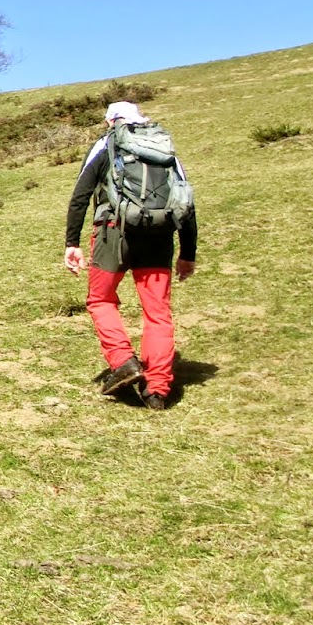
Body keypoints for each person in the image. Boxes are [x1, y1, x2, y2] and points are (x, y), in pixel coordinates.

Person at [63, 101, 197, 409]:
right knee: (157, 311)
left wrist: (72, 242)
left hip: (113, 231)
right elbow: (185, 201)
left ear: (111, 121)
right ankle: (157, 390)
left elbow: (81, 194)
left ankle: (123, 361)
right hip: (160, 235)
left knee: (100, 299)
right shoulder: (164, 147)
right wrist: (188, 252)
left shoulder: (108, 142)